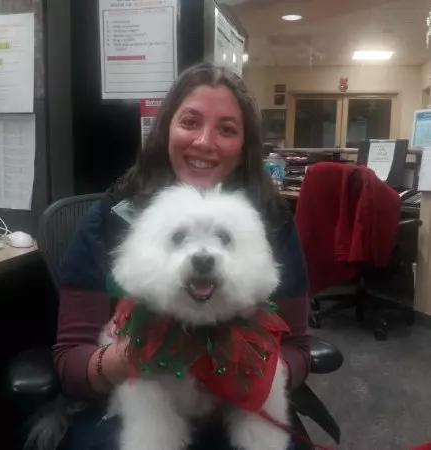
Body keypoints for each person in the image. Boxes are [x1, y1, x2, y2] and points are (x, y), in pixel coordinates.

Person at [54, 62, 310, 450]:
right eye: (190, 121)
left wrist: (257, 370)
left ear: (243, 147)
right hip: (138, 400)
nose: (205, 142)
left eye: (226, 128)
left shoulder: (271, 220)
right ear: (166, 129)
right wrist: (125, 359)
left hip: (243, 400)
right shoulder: (109, 218)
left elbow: (299, 348)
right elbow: (70, 361)